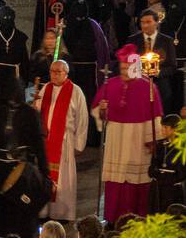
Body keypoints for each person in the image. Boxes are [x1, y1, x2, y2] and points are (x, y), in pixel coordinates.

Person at [91, 45, 164, 222]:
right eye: (122, 68)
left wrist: (152, 142)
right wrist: (102, 110)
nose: (124, 71)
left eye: (127, 68)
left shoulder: (148, 87)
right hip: (116, 139)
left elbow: (155, 118)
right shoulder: (111, 84)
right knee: (116, 184)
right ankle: (112, 218)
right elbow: (97, 111)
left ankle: (137, 219)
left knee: (136, 184)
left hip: (137, 142)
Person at [33, 60, 89, 221]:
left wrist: (79, 143)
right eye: (52, 71)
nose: (55, 74)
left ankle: (62, 214)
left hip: (64, 143)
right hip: (45, 143)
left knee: (64, 181)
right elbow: (37, 112)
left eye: (59, 72)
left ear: (66, 73)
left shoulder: (75, 91)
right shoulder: (45, 89)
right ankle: (44, 211)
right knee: (44, 176)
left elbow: (82, 118)